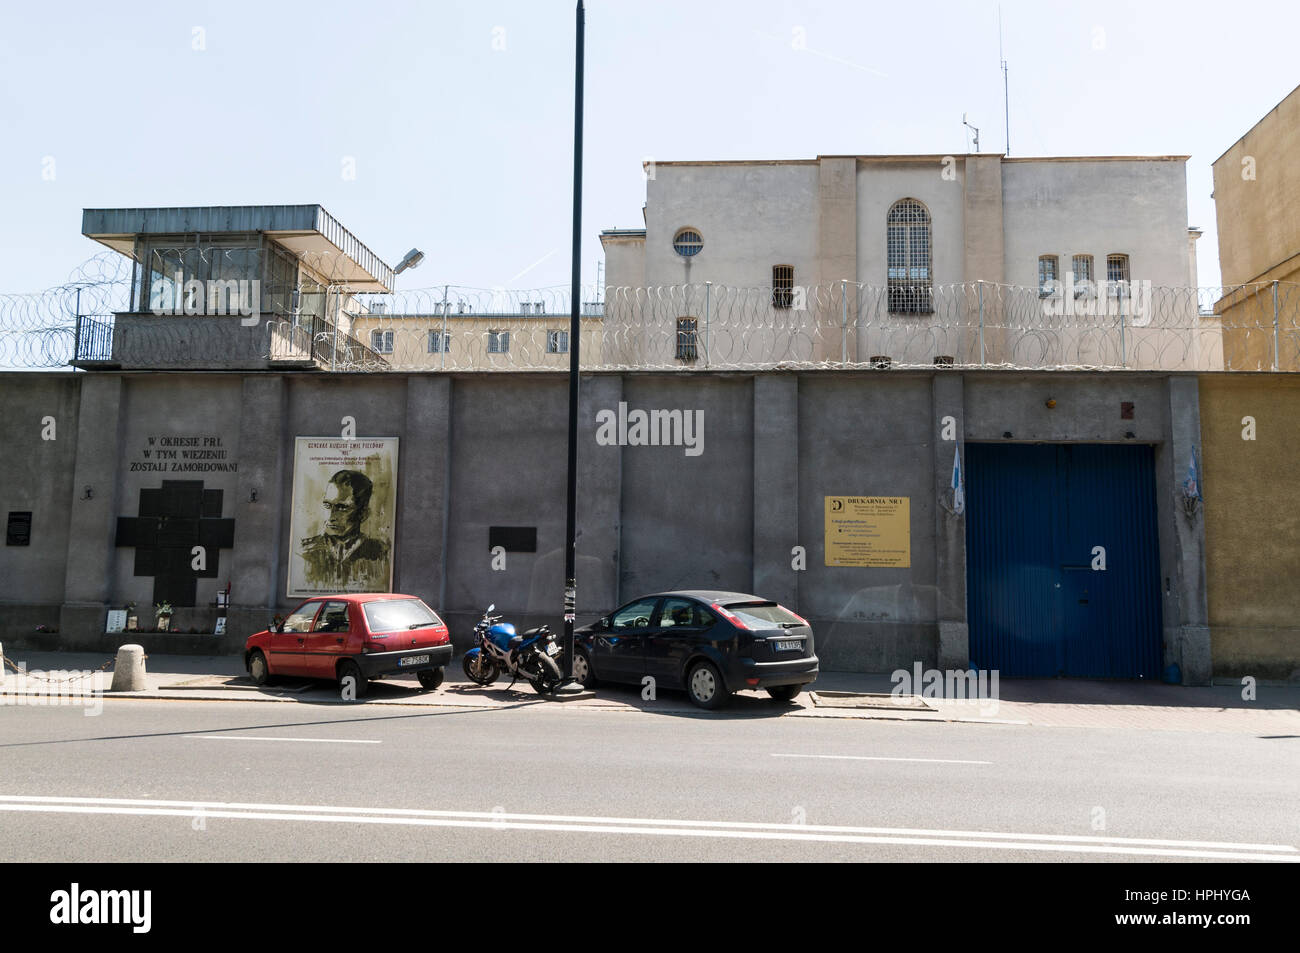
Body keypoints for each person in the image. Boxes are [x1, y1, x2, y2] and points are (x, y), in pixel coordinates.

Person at [299, 470, 390, 589]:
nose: (331, 517)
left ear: (363, 514)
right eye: (327, 505)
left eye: (342, 508)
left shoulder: (380, 553)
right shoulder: (305, 551)